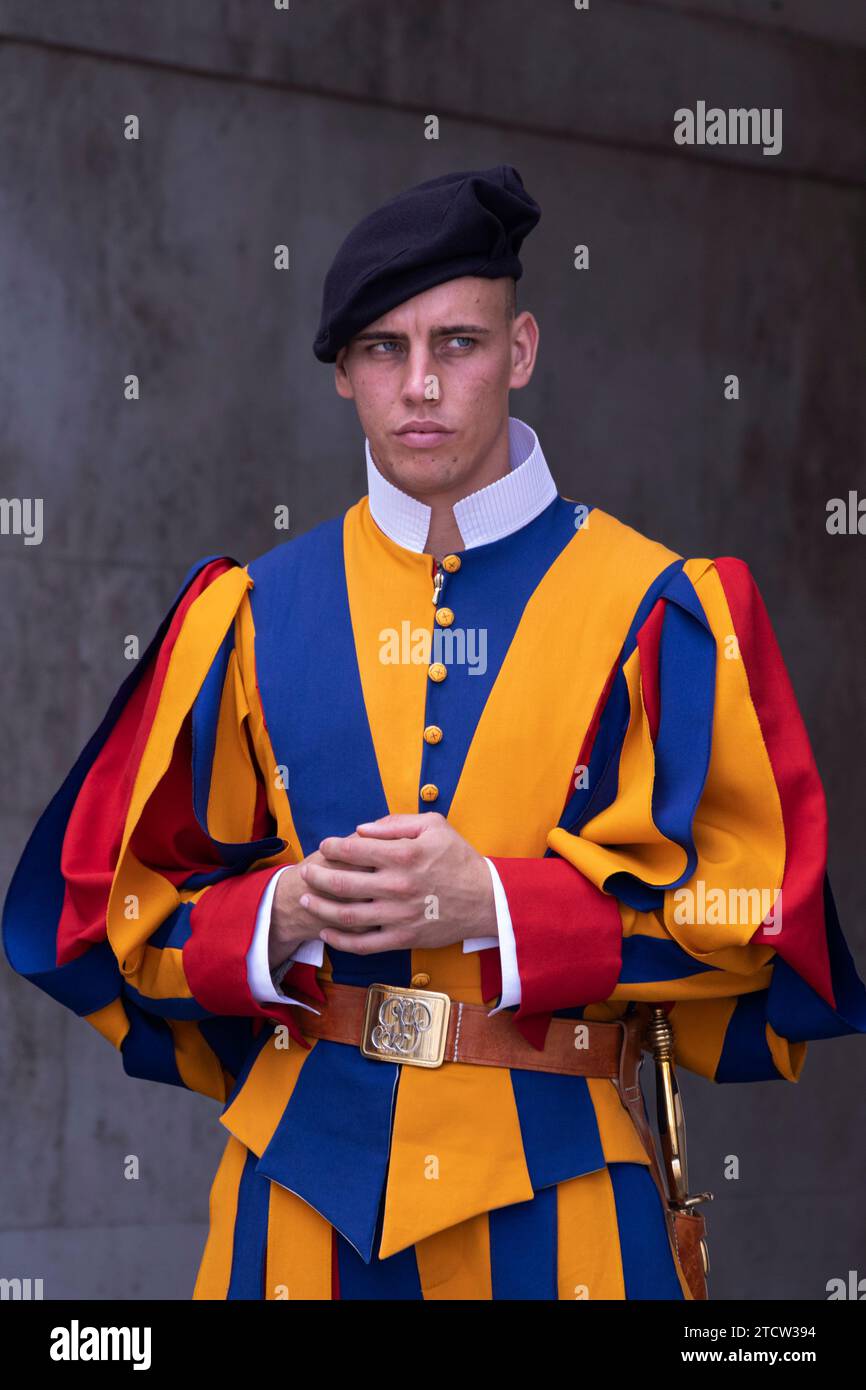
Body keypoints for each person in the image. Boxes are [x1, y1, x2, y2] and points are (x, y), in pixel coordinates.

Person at [4, 165, 865, 1302]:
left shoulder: (659, 608)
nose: (419, 385)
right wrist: (278, 913)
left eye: (455, 344)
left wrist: (499, 905)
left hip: (560, 1197)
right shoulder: (249, 613)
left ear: (518, 351)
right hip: (293, 1197)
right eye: (380, 349)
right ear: (343, 377)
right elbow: (116, 910)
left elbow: (757, 912)